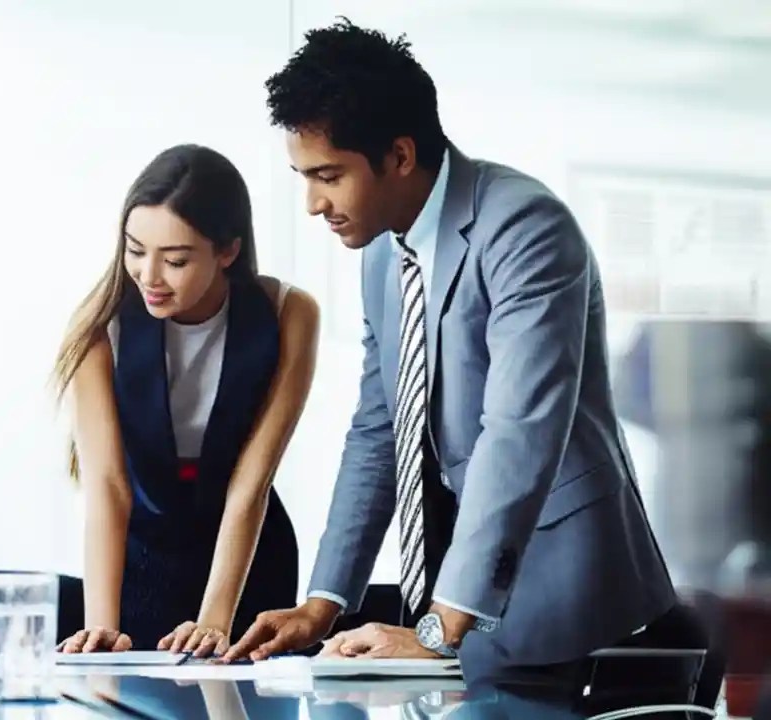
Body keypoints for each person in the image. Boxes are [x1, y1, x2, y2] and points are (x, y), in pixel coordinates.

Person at [226, 18, 715, 712]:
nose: (313, 204)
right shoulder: (381, 255)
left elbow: (519, 430)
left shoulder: (525, 227)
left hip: (567, 599)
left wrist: (440, 627)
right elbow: (379, 429)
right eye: (303, 178)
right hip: (468, 601)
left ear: (399, 155)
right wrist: (322, 603)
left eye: (328, 176)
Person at [52, 144, 319, 657]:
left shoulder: (289, 314)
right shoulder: (98, 328)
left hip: (249, 556)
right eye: (135, 250)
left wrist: (216, 618)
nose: (149, 276)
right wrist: (101, 627)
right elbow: (109, 486)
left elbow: (251, 482)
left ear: (228, 251)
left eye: (175, 260)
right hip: (144, 558)